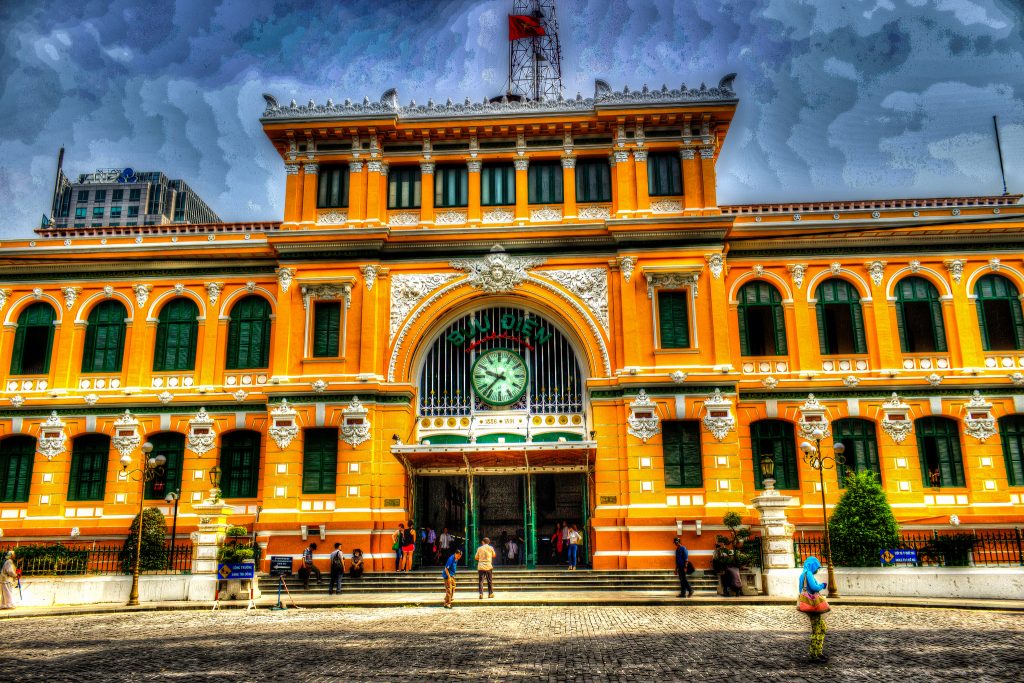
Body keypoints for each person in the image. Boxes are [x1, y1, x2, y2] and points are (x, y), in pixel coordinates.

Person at [799, 556, 830, 662]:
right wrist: (823, 585)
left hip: (807, 605)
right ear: (812, 566)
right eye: (817, 567)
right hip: (813, 605)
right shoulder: (809, 574)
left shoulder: (802, 575)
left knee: (821, 627)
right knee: (818, 629)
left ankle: (818, 652)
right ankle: (814, 654)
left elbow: (801, 590)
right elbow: (814, 588)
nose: (817, 569)